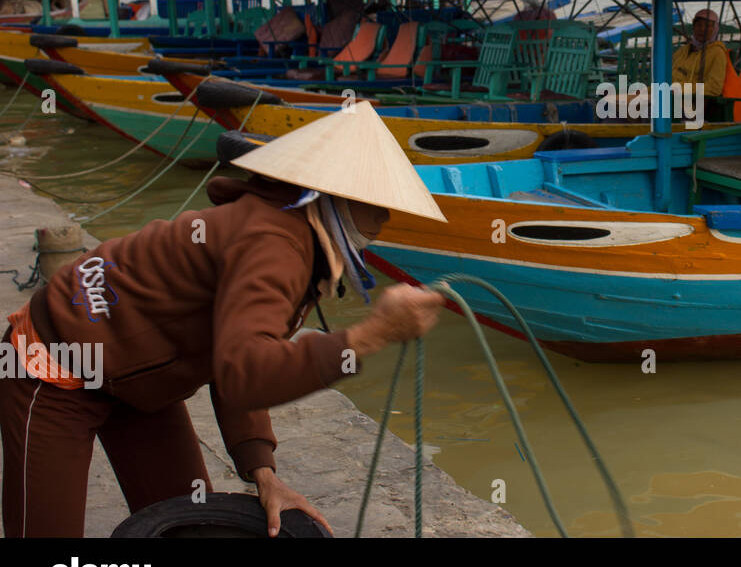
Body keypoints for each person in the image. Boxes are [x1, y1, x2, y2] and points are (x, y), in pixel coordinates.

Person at [0, 102, 447, 538]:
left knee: (187, 516)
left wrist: (262, 471)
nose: (385, 219)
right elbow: (246, 373)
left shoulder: (299, 237)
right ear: (334, 194)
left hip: (137, 381)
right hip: (54, 360)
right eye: (378, 203)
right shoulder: (273, 243)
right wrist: (373, 334)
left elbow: (236, 352)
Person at [672, 8, 731, 121]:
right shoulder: (683, 50)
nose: (702, 29)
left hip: (692, 107)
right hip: (670, 98)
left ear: (715, 29)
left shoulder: (717, 53)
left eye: (708, 26)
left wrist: (680, 89)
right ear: (693, 27)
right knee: (630, 102)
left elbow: (714, 88)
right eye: (698, 25)